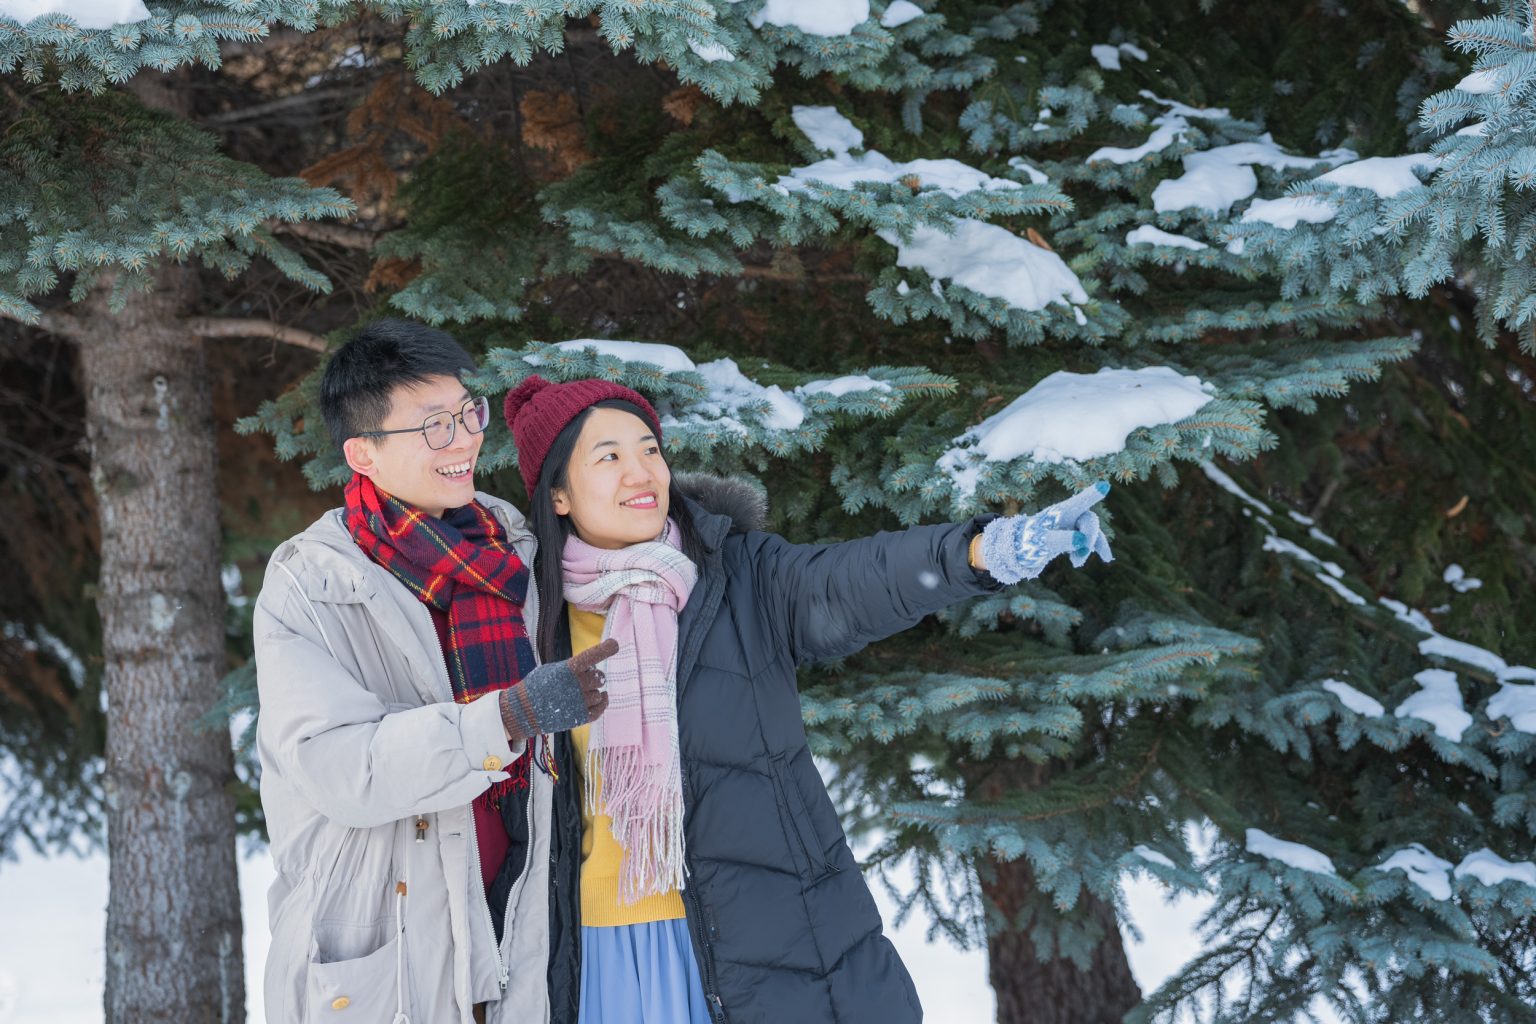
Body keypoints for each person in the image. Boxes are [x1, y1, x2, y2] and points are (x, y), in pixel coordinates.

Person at [502, 374, 1113, 1024]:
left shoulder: (738, 577)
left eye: (650, 448)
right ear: (559, 494)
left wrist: (983, 551)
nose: (641, 472)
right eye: (610, 457)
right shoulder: (528, 619)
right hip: (598, 955)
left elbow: (853, 582)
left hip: (761, 938)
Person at [252, 320, 616, 1024]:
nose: (465, 440)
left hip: (511, 920)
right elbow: (342, 769)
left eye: (466, 414)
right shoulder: (311, 583)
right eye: (433, 427)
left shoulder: (509, 542)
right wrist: (512, 716)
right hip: (389, 942)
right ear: (364, 453)